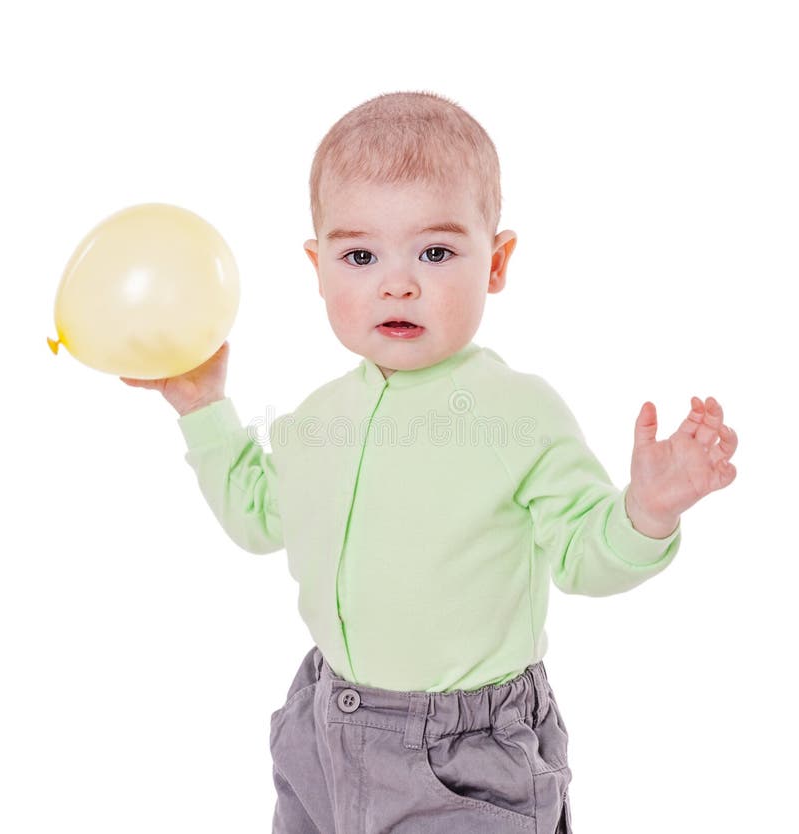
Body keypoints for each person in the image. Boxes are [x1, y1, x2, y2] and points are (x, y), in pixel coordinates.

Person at [121, 91, 738, 833]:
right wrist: (203, 409)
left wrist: (647, 510)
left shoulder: (518, 413)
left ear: (497, 262)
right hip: (323, 724)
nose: (397, 282)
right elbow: (258, 518)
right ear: (318, 268)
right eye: (360, 255)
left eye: (436, 252)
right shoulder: (318, 418)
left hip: (464, 752)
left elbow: (583, 556)